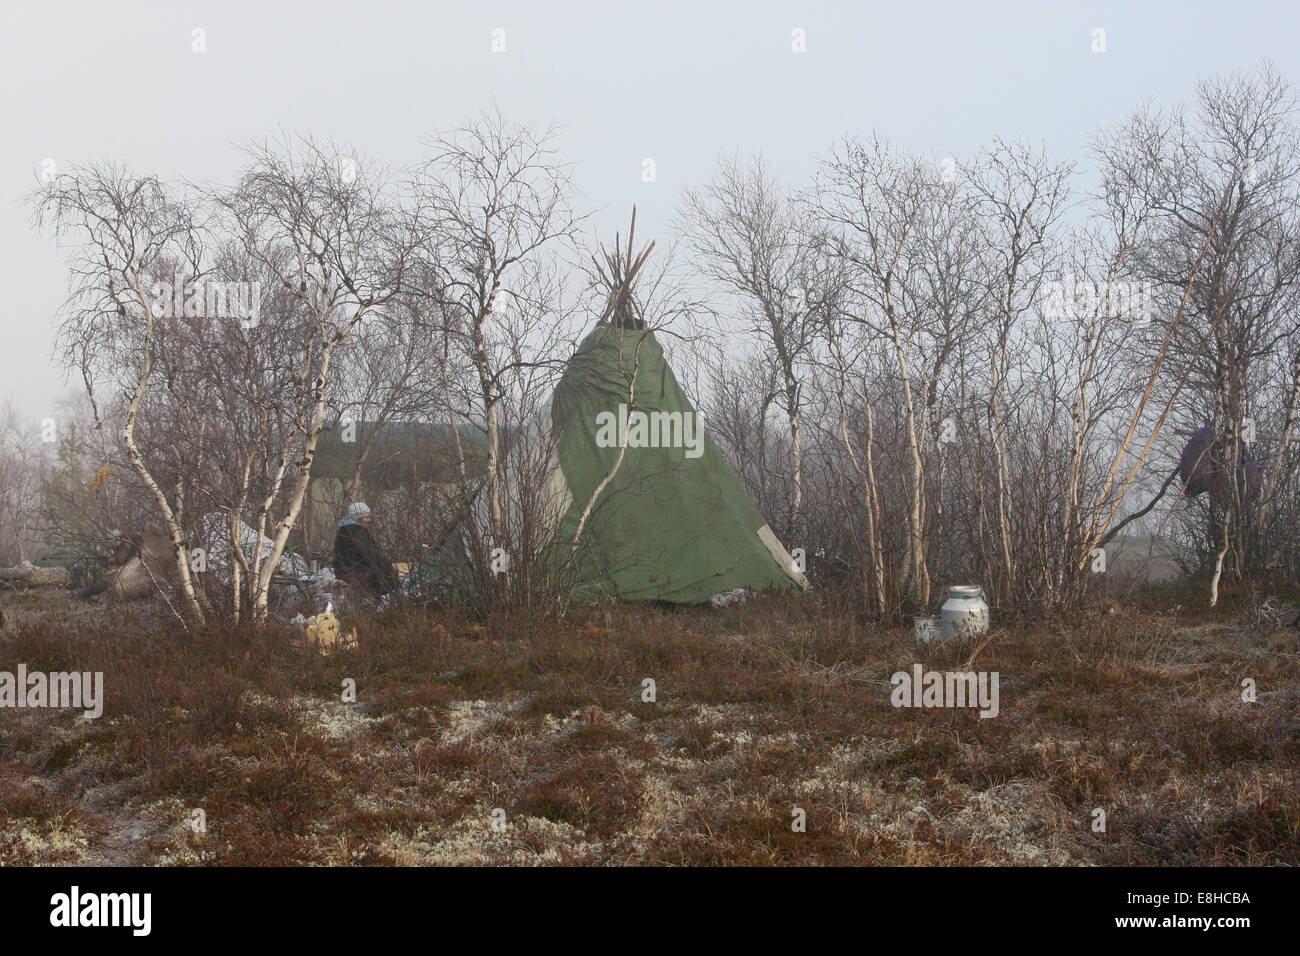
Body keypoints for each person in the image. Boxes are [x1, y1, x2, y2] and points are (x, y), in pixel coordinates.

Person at [333, 502, 398, 597]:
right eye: (366, 517)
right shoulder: (355, 533)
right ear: (357, 518)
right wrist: (388, 567)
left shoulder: (348, 530)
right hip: (358, 577)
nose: (369, 520)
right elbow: (369, 555)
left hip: (352, 575)